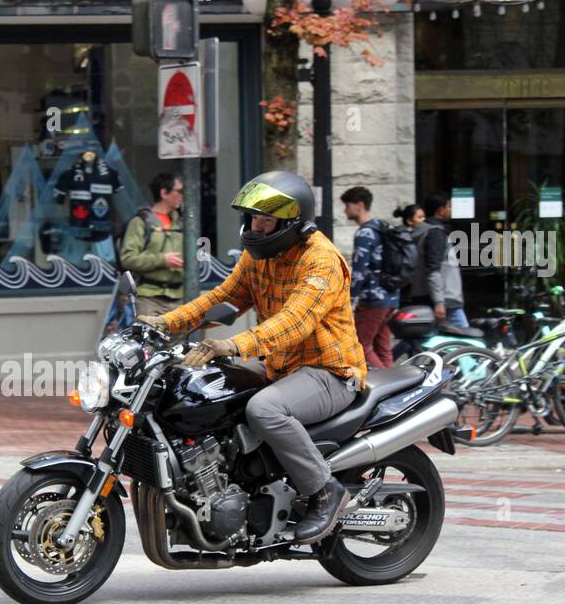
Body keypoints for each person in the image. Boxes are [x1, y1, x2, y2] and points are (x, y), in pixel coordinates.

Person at [137, 171, 367, 545]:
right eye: (253, 219)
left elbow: (295, 321)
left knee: (265, 410)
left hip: (329, 370)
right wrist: (163, 322)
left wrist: (233, 345)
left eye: (266, 221)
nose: (257, 227)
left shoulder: (321, 260)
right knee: (202, 387)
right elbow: (221, 299)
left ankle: (325, 491)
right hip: (279, 364)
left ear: (292, 222)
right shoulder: (258, 255)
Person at [341, 186, 398, 369]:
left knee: (360, 345)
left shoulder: (365, 233)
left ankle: (387, 387)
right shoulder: (381, 228)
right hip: (390, 297)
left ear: (360, 205)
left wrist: (349, 298)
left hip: (373, 299)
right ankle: (397, 390)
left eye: (347, 206)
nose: (345, 210)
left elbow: (359, 272)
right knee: (383, 348)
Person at [119, 171, 185, 317]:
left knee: (185, 339)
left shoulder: (182, 224)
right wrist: (162, 260)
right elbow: (128, 258)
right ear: (164, 193)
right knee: (150, 339)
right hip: (149, 299)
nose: (183, 195)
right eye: (179, 191)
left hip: (180, 299)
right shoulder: (141, 222)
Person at [408, 192, 468, 329]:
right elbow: (433, 269)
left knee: (425, 338)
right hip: (444, 299)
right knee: (467, 339)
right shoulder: (435, 233)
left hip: (428, 295)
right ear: (440, 211)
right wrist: (439, 302)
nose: (451, 210)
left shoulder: (424, 231)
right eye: (449, 207)